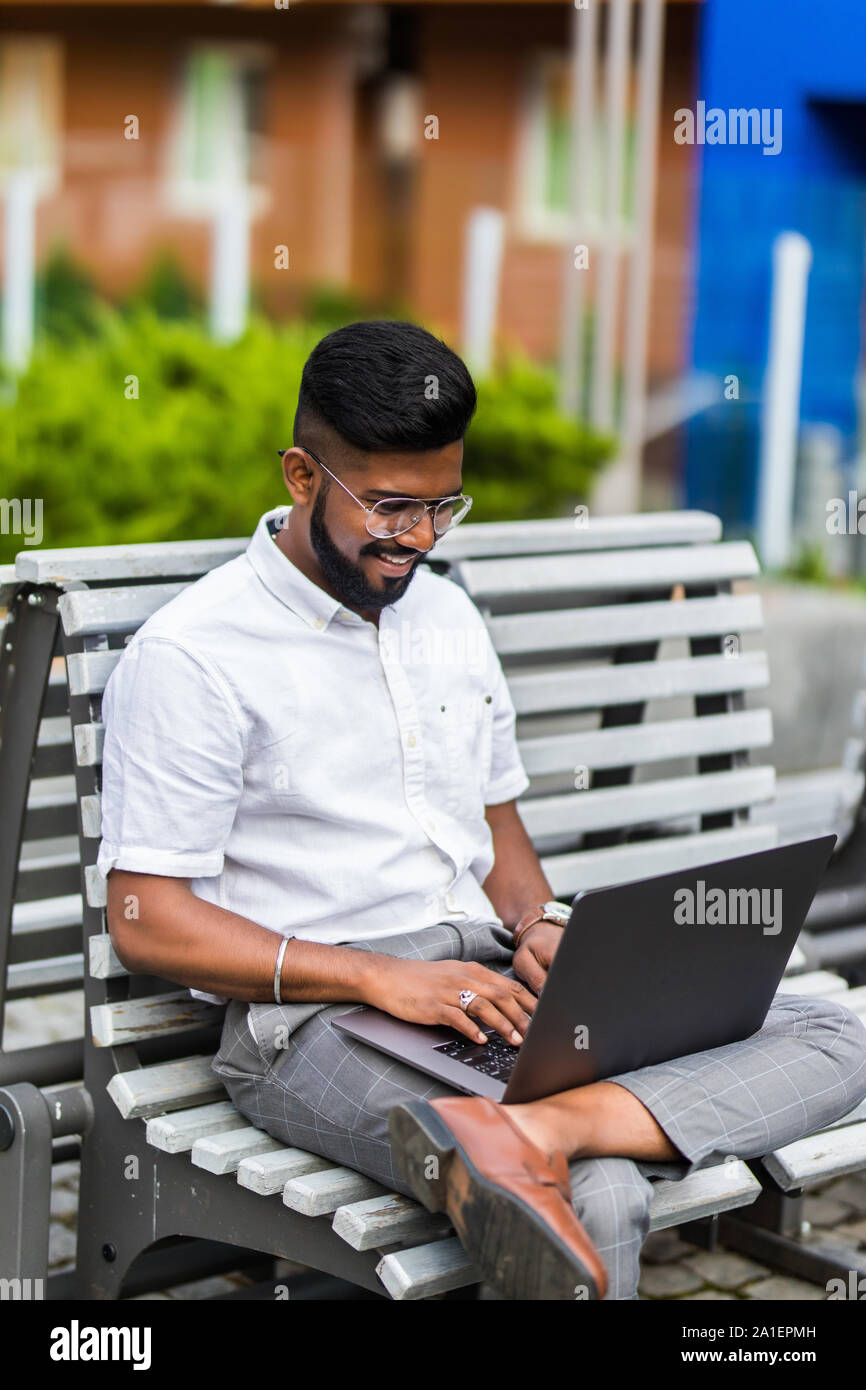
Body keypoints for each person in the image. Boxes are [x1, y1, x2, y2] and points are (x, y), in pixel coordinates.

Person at [100, 320, 866, 1300]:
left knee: (831, 1033)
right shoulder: (195, 655)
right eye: (389, 508)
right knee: (598, 1197)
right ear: (300, 475)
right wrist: (378, 976)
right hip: (314, 1025)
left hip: (489, 985)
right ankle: (556, 1141)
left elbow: (497, 830)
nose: (418, 539)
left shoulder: (446, 615)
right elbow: (147, 920)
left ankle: (536, 1128)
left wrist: (541, 927)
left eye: (440, 506)